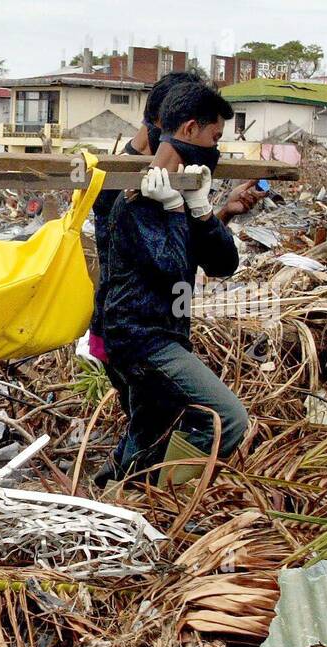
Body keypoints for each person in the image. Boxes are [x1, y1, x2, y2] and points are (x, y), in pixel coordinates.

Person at [100, 82, 259, 481]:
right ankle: (162, 496)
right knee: (228, 419)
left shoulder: (184, 189)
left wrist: (205, 211)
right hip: (142, 339)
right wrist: (174, 208)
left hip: (166, 331)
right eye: (215, 137)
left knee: (150, 432)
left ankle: (112, 486)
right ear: (189, 130)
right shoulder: (137, 197)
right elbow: (172, 268)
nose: (216, 149)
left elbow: (223, 264)